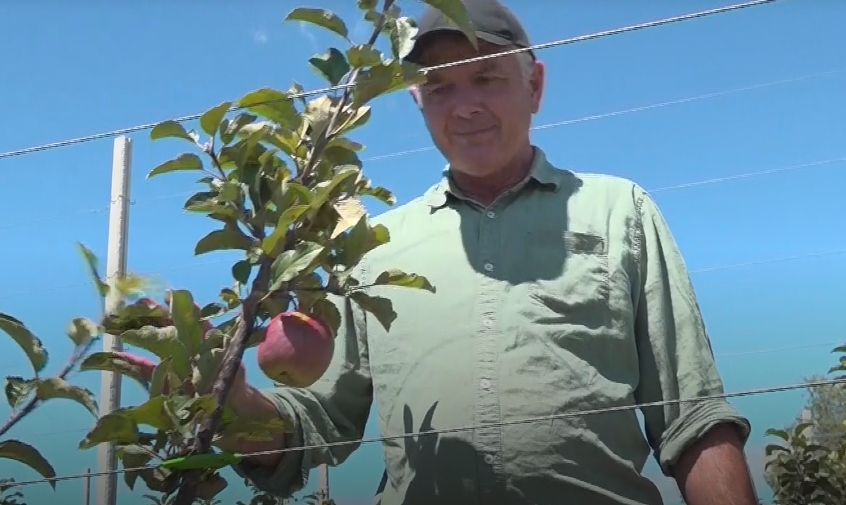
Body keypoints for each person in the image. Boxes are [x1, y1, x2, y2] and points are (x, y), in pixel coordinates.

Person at [122, 0, 761, 503]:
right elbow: (314, 425)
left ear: (534, 86)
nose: (466, 107)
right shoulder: (375, 249)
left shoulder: (619, 210)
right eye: (440, 88)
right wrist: (229, 401)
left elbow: (694, 419)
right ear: (417, 103)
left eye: (487, 77)